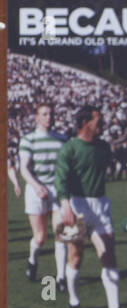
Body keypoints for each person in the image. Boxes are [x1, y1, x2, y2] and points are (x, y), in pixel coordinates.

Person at [54, 105, 127, 308]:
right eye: (98, 119)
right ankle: (74, 303)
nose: (103, 122)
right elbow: (60, 179)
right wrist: (65, 205)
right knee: (75, 257)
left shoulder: (103, 147)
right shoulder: (69, 149)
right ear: (84, 123)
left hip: (101, 205)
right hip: (76, 205)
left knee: (109, 256)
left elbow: (126, 159)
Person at [17, 103, 69, 290]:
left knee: (61, 235)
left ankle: (61, 278)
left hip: (57, 190)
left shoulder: (62, 139)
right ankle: (32, 260)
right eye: (44, 114)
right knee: (40, 237)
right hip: (36, 189)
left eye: (51, 114)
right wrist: (36, 185)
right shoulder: (28, 139)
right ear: (36, 118)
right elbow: (24, 168)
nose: (49, 117)